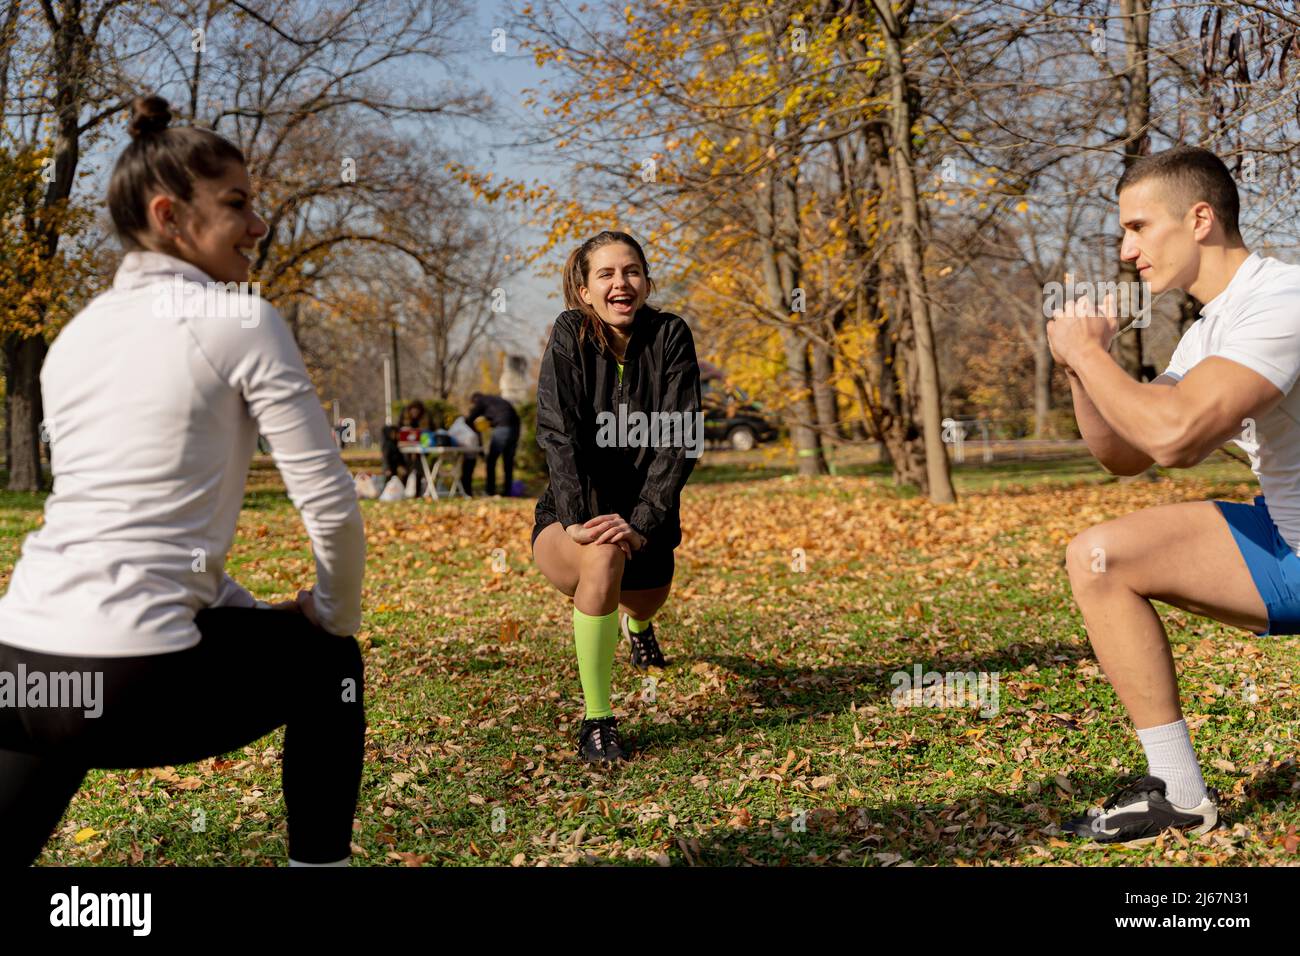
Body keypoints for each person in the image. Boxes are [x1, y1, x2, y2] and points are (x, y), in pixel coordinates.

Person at [0, 95, 366, 867]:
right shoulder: (238, 318)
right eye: (237, 204)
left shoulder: (74, 336)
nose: (260, 225)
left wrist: (238, 605)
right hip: (131, 684)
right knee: (329, 662)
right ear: (170, 216)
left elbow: (126, 521)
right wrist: (329, 614)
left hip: (19, 664)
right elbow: (330, 503)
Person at [1049, 145, 1299, 844]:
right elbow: (1125, 454)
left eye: (1138, 227)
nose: (1128, 250)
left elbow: (1177, 438)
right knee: (1099, 557)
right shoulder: (1209, 330)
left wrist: (1094, 354)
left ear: (1198, 220)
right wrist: (1079, 367)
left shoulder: (1284, 301)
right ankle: (1180, 795)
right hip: (1290, 543)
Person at [531, 230, 702, 763]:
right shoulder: (570, 334)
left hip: (647, 523)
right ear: (584, 290)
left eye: (630, 271)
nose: (619, 282)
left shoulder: (671, 335)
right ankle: (598, 721)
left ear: (647, 281)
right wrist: (581, 518)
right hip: (572, 522)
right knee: (602, 556)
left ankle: (640, 627)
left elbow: (680, 435)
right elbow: (557, 431)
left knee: (645, 598)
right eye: (604, 274)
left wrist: (644, 520)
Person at [465, 392, 520, 496]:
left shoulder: (481, 401)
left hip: (503, 427)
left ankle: (490, 491)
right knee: (508, 462)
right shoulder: (495, 400)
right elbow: (495, 416)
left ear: (475, 400)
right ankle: (507, 492)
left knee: (491, 461)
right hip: (515, 428)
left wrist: (466, 422)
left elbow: (470, 418)